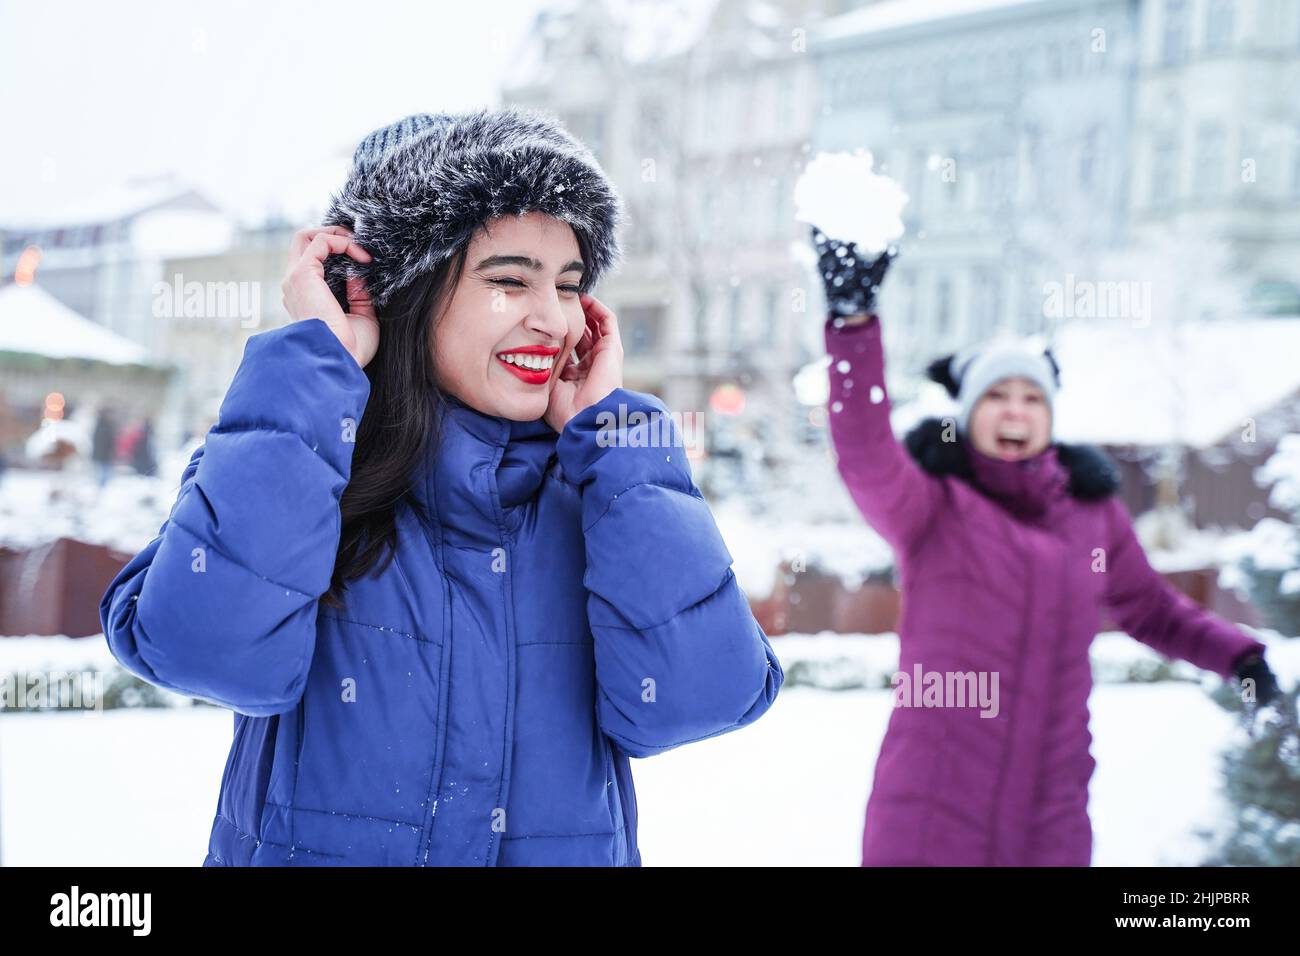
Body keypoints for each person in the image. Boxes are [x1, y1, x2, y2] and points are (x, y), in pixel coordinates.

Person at [101, 108, 783, 867]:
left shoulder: (600, 493)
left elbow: (701, 700)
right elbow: (205, 649)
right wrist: (313, 366)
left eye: (567, 285)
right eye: (509, 280)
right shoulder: (300, 465)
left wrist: (619, 444)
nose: (551, 319)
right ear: (402, 291)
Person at [809, 225, 1280, 867]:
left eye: (1031, 398)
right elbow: (865, 454)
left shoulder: (1092, 515)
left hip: (1052, 811)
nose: (1015, 410)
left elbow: (1152, 609)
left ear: (1050, 417)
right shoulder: (933, 507)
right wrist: (853, 322)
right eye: (997, 396)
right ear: (969, 415)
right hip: (932, 805)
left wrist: (1241, 658)